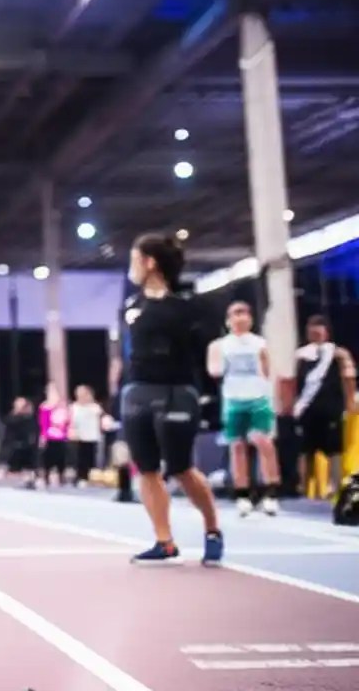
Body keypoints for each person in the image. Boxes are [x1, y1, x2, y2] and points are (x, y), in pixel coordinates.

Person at [119, 233, 224, 565]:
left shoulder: (188, 307)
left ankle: (212, 528)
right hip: (137, 392)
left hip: (178, 392)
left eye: (135, 258)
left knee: (181, 468)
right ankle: (164, 541)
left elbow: (205, 349)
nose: (131, 267)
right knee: (146, 468)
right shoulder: (130, 306)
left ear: (150, 262)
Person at [207, 300, 281, 516]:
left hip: (258, 397)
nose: (241, 318)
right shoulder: (220, 345)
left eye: (244, 313)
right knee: (237, 446)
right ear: (228, 320)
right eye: (236, 314)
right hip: (233, 398)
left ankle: (271, 493)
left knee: (263, 442)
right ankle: (242, 494)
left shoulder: (260, 343)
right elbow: (214, 370)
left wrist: (270, 395)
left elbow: (268, 371)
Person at [293, 314, 355, 499]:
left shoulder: (339, 353)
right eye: (312, 329)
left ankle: (334, 487)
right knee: (305, 450)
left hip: (331, 407)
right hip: (307, 410)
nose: (316, 332)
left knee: (334, 450)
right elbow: (293, 382)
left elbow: (348, 378)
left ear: (327, 332)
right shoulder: (300, 355)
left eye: (319, 328)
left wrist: (350, 400)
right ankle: (304, 488)